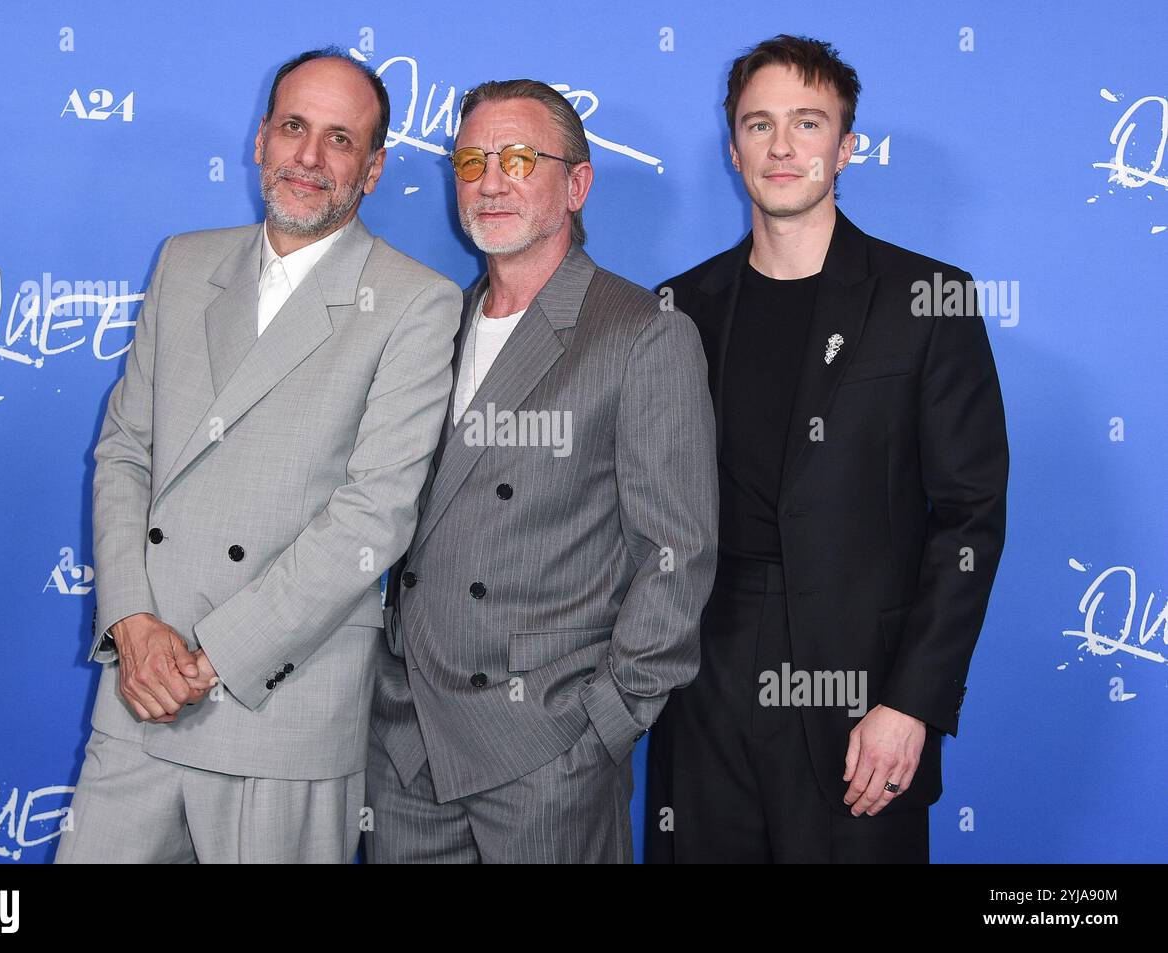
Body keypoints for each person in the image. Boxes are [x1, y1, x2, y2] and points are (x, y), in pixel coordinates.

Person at [54, 47, 461, 864]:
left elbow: (373, 516)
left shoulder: (416, 302)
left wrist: (215, 658)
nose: (309, 157)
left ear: (374, 168)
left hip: (279, 713)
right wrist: (133, 625)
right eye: (293, 128)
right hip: (139, 698)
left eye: (340, 140)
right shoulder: (184, 262)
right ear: (260, 139)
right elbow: (126, 451)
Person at [645, 34, 1009, 864]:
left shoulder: (928, 299)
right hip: (700, 679)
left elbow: (970, 518)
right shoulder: (678, 308)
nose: (782, 146)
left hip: (861, 694)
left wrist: (912, 703)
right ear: (733, 148)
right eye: (759, 124)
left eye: (807, 123)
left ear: (845, 148)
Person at [365, 79, 719, 863]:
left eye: (520, 159)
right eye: (471, 161)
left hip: (545, 750)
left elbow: (678, 554)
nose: (490, 182)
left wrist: (606, 724)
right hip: (407, 743)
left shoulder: (641, 333)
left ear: (577, 184)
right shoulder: (431, 324)